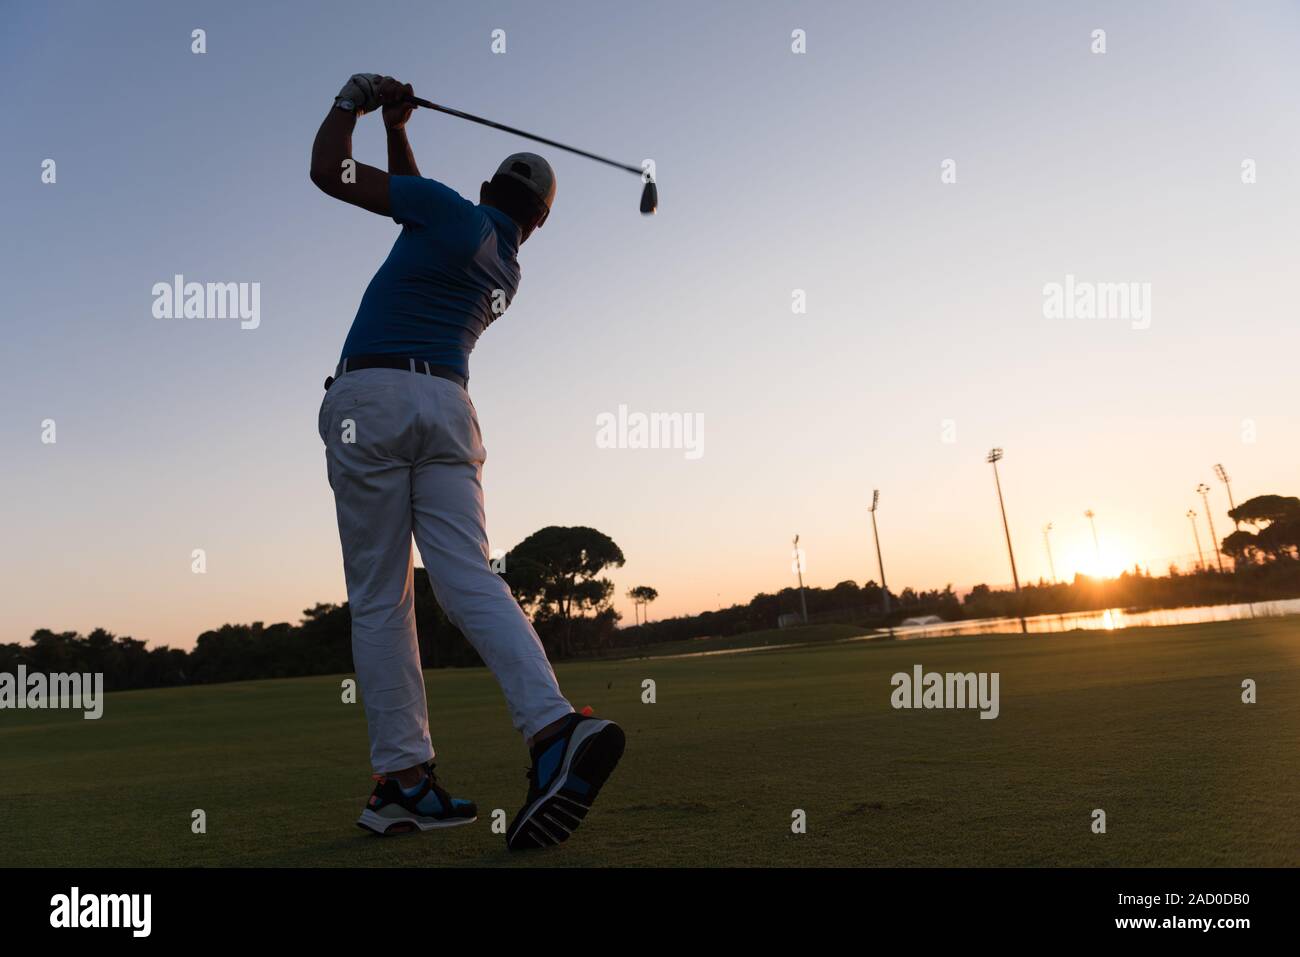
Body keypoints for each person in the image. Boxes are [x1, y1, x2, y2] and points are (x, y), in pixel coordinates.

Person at [309, 73, 624, 849]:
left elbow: (327, 172)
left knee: (382, 596)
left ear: (486, 186)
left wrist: (351, 100)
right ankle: (552, 727)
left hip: (373, 399)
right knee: (467, 577)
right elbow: (413, 200)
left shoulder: (449, 211)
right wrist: (397, 127)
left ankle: (404, 777)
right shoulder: (501, 259)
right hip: (449, 410)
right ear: (539, 223)